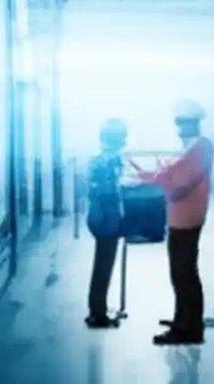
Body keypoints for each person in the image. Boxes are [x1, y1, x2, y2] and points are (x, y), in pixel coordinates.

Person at [131, 100, 214, 345]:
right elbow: (175, 173)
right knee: (180, 272)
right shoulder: (193, 147)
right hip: (181, 216)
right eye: (178, 124)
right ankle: (183, 319)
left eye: (184, 124)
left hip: (187, 218)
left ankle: (189, 329)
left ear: (195, 123)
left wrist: (156, 177)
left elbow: (180, 181)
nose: (180, 129)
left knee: (184, 272)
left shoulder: (201, 147)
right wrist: (154, 175)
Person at [85, 119, 128, 328]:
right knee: (103, 266)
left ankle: (97, 308)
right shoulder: (110, 161)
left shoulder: (98, 159)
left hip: (98, 217)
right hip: (107, 220)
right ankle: (98, 313)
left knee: (101, 265)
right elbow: (109, 192)